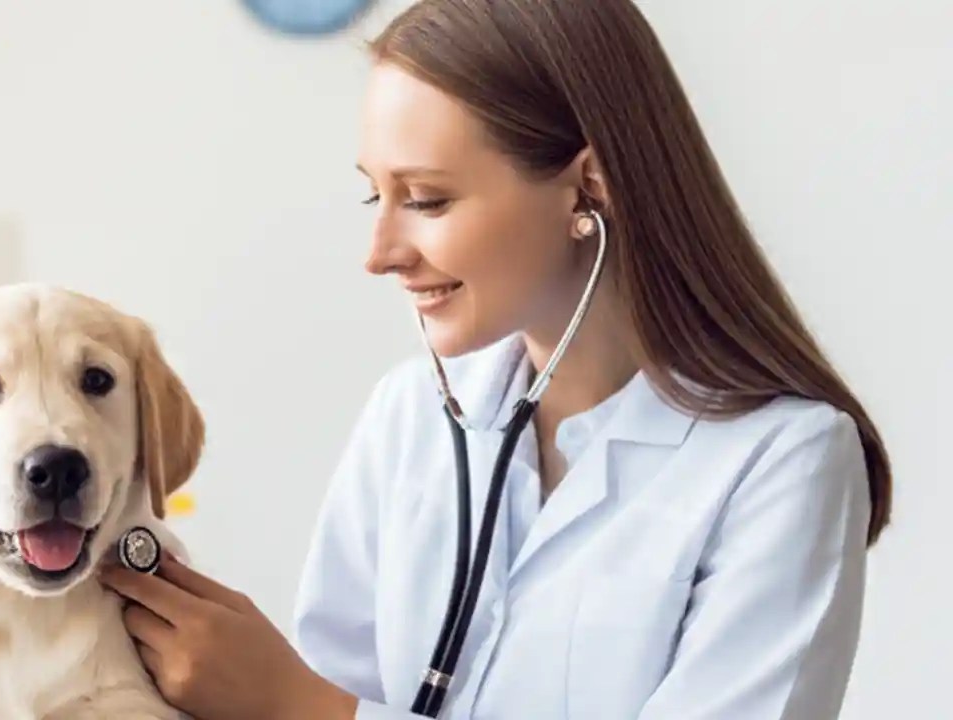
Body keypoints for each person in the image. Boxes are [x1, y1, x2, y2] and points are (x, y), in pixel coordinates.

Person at [100, 0, 892, 718]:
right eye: (377, 196)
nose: (379, 255)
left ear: (588, 186)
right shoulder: (410, 415)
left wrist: (303, 709)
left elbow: (317, 703)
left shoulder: (784, 463)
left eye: (428, 200)